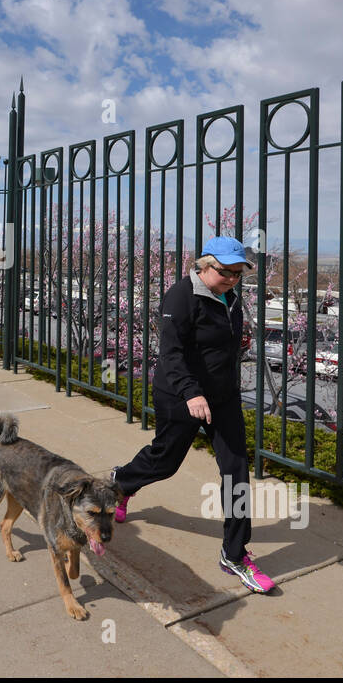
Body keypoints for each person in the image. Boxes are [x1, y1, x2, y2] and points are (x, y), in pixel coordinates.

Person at [111, 235, 275, 593]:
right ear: (204, 265)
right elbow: (171, 353)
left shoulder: (229, 297)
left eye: (238, 273)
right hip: (181, 397)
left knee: (236, 472)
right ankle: (121, 483)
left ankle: (234, 554)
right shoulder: (181, 297)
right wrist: (191, 392)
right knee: (164, 462)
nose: (232, 279)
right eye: (225, 272)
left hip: (223, 399)